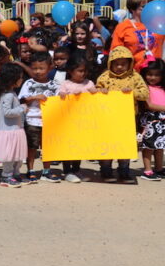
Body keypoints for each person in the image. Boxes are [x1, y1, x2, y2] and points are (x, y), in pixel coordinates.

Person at [96, 46, 149, 182]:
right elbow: (95, 93)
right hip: (107, 118)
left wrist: (132, 92)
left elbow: (145, 93)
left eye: (123, 64)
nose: (119, 67)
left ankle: (124, 170)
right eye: (116, 64)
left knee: (124, 144)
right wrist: (100, 91)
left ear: (129, 64)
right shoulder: (104, 77)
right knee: (107, 144)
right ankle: (106, 169)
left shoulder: (135, 77)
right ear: (111, 63)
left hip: (128, 119)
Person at [18, 52, 61, 183]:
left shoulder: (56, 85)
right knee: (32, 147)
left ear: (50, 68)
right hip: (32, 120)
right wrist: (35, 97)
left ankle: (46, 171)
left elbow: (60, 103)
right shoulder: (28, 83)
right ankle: (30, 171)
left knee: (47, 147)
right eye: (34, 68)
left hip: (49, 121)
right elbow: (21, 99)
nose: (37, 71)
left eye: (41, 68)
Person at [56, 52, 98, 182]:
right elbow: (59, 98)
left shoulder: (89, 83)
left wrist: (99, 92)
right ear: (70, 71)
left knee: (79, 146)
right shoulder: (65, 84)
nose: (82, 74)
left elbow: (96, 96)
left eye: (84, 71)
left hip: (83, 122)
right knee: (68, 146)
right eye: (79, 71)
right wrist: (64, 94)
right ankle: (67, 171)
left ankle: (76, 170)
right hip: (69, 122)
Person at [0, 63, 27, 188]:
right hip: (8, 131)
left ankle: (15, 174)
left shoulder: (11, 93)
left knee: (17, 155)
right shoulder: (8, 95)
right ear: (12, 79)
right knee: (9, 155)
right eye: (20, 77)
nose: (22, 80)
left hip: (15, 130)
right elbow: (7, 113)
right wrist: (22, 108)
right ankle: (6, 175)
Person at [111, 0, 162, 70]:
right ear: (132, 9)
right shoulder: (122, 27)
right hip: (133, 73)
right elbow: (116, 53)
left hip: (155, 73)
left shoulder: (158, 24)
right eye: (144, 7)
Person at [138, 59, 165, 181]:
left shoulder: (162, 88)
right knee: (148, 146)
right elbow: (149, 105)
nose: (153, 77)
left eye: (157, 75)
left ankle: (159, 168)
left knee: (160, 145)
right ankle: (147, 170)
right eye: (149, 74)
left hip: (162, 120)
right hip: (151, 120)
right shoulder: (145, 88)